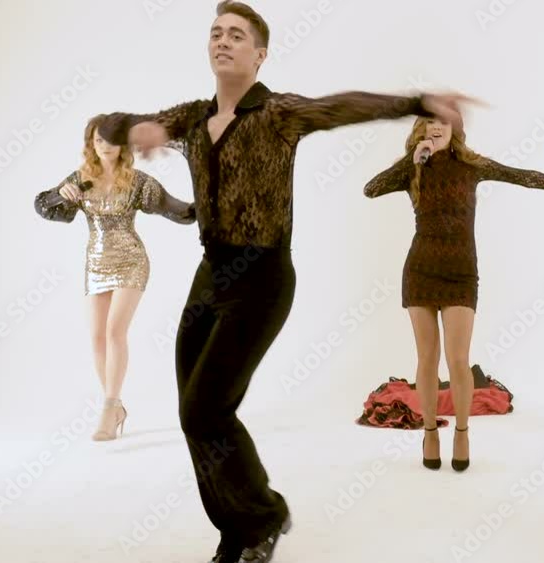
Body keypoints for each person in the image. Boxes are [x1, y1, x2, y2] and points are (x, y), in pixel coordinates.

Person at [96, 2, 475, 561]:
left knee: (207, 410)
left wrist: (415, 103)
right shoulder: (192, 116)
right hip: (210, 274)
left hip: (264, 276)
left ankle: (265, 516)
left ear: (260, 54)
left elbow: (340, 108)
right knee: (194, 415)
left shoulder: (277, 112)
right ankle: (236, 530)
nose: (223, 40)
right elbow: (109, 126)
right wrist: (134, 128)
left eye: (237, 35)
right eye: (216, 32)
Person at [364, 117, 544, 472]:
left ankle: (461, 431)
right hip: (420, 270)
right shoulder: (413, 168)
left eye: (442, 120)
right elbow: (371, 189)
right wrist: (412, 159)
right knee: (427, 358)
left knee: (459, 360)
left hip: (460, 273)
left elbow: (522, 176)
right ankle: (429, 432)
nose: (435, 127)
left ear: (453, 127)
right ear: (421, 129)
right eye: (428, 121)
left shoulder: (473, 166)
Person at [34, 114, 196, 442]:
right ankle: (117, 404)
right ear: (90, 145)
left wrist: (209, 200)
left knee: (114, 331)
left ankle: (108, 409)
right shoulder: (81, 179)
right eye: (97, 141)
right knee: (96, 337)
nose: (103, 147)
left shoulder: (137, 181)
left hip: (131, 259)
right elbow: (42, 205)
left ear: (121, 144)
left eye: (109, 141)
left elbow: (177, 210)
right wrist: (59, 195)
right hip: (95, 261)